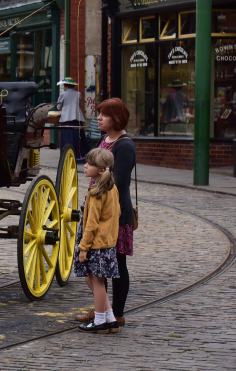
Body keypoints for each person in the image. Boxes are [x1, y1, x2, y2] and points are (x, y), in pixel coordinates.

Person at [76, 97, 136, 328]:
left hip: (115, 215)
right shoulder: (104, 139)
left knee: (117, 264)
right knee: (99, 266)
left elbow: (116, 183)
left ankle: (116, 313)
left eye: (104, 115)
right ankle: (103, 310)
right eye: (98, 114)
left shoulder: (125, 145)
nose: (98, 118)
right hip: (98, 210)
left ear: (117, 118)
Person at [74, 147, 121, 334]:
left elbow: (91, 224)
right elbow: (116, 214)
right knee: (93, 279)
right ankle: (110, 318)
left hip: (96, 244)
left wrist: (84, 247)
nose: (85, 166)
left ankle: (100, 320)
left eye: (89, 164)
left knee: (97, 281)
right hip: (108, 243)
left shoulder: (96, 192)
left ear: (101, 170)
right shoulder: (112, 188)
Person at [57, 77, 87, 158]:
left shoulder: (63, 94)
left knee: (66, 137)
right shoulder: (78, 93)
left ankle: (66, 154)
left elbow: (58, 106)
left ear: (65, 85)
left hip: (66, 117)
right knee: (78, 136)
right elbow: (79, 104)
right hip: (77, 116)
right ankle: (79, 153)